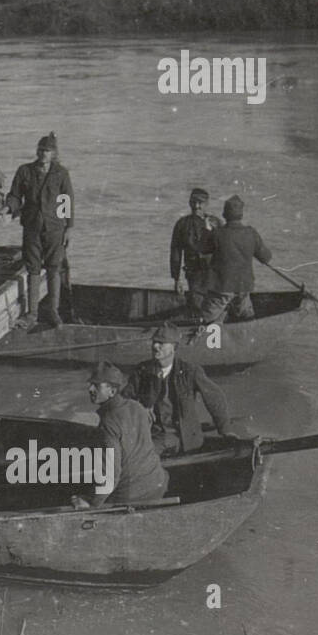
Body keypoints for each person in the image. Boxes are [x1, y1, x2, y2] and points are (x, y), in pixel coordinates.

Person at [122, 323, 233, 456]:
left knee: (141, 453)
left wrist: (225, 430)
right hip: (152, 433)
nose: (155, 346)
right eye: (154, 342)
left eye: (161, 343)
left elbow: (215, 398)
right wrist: (139, 408)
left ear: (174, 347)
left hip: (181, 436)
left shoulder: (190, 371)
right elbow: (124, 399)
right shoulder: (143, 370)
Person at [71, 361, 169, 509]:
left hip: (132, 496)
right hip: (157, 484)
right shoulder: (137, 407)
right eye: (91, 384)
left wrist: (91, 503)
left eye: (96, 386)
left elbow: (110, 477)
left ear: (112, 391)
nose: (90, 389)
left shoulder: (109, 423)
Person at [6, 132, 73, 329]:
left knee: (54, 268)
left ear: (54, 154)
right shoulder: (24, 171)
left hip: (55, 228)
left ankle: (53, 311)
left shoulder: (61, 173)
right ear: (37, 151)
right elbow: (15, 195)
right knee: (33, 269)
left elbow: (67, 201)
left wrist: (69, 228)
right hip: (32, 227)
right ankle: (32, 314)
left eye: (48, 151)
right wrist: (9, 207)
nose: (44, 154)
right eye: (41, 150)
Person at [199, 195, 272, 323]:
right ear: (241, 215)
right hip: (244, 287)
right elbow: (266, 258)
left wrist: (207, 230)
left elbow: (202, 249)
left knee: (205, 321)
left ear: (224, 215)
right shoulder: (251, 233)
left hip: (222, 288)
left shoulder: (218, 233)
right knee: (247, 319)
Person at [170, 187, 219, 313]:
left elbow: (226, 249)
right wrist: (177, 279)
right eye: (193, 202)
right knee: (198, 307)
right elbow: (175, 253)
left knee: (215, 307)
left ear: (206, 204)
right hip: (194, 274)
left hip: (214, 273)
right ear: (189, 203)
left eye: (200, 203)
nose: (196, 206)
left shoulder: (216, 223)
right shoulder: (182, 224)